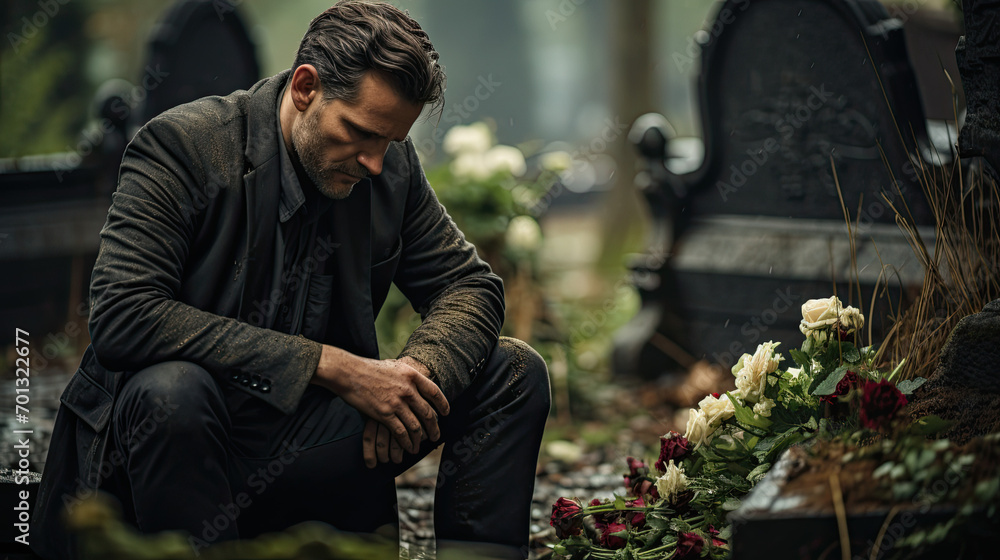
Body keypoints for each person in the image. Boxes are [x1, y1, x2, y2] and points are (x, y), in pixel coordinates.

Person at [31, 2, 550, 559]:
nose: (374, 163)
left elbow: (468, 286)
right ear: (305, 87)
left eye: (389, 141)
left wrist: (412, 381)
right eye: (359, 132)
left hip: (305, 444)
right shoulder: (182, 147)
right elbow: (123, 314)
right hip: (167, 457)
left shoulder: (389, 166)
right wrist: (334, 367)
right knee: (172, 391)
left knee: (513, 371)